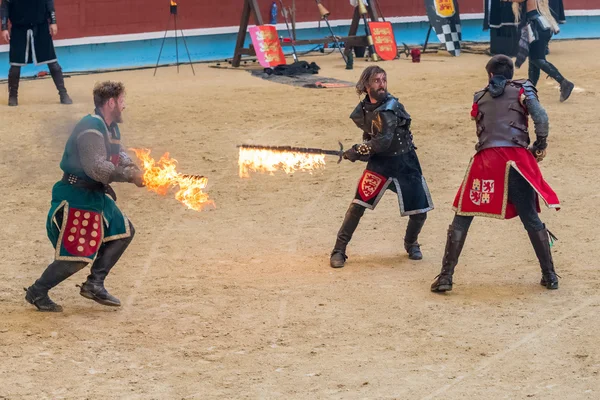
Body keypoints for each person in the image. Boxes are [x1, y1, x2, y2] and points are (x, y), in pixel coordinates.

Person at [430, 55, 560, 293]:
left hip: (487, 161)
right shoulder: (524, 88)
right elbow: (541, 117)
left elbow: (480, 121)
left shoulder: (479, 96)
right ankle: (550, 275)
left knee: (463, 214)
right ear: (511, 73)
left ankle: (446, 276)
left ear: (490, 75)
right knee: (530, 215)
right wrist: (540, 145)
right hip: (516, 161)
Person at [24, 81, 144, 312]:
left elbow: (117, 154)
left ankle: (94, 283)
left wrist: (134, 169)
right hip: (76, 195)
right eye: (121, 101)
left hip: (94, 193)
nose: (124, 106)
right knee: (77, 255)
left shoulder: (110, 127)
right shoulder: (90, 127)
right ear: (111, 103)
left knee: (123, 231)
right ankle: (37, 291)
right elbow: (96, 167)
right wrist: (128, 176)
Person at [330, 65, 434, 269]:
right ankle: (339, 250)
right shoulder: (364, 109)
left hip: (404, 163)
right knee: (358, 206)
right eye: (377, 80)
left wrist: (355, 151)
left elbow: (382, 142)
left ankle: (411, 243)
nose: (382, 84)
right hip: (380, 164)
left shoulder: (390, 108)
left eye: (384, 80)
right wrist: (360, 151)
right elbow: (373, 139)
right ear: (366, 84)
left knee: (420, 210)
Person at [0, 0, 72, 106]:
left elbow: (49, 2)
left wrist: (53, 21)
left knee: (53, 62)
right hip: (18, 28)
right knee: (15, 65)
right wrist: (4, 27)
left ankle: (63, 93)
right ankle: (13, 96)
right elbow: (5, 6)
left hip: (41, 27)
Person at [506, 0, 574, 102]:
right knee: (533, 60)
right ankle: (530, 92)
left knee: (537, 59)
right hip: (540, 24)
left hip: (537, 25)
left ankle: (564, 83)